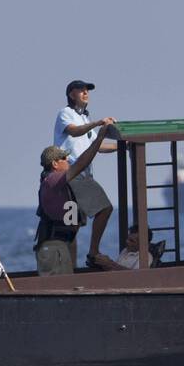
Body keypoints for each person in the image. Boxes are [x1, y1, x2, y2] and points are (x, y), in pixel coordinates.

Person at [52, 80, 118, 264]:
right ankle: (93, 253)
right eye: (81, 90)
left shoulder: (85, 118)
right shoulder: (65, 113)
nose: (86, 92)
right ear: (71, 94)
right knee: (104, 209)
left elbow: (97, 146)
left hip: (81, 176)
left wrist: (122, 145)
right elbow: (74, 132)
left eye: (87, 90)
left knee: (72, 225)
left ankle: (71, 264)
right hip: (73, 174)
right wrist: (99, 123)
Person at [38, 117, 116, 269]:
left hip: (59, 241)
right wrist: (100, 137)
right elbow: (82, 163)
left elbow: (70, 222)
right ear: (55, 164)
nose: (68, 159)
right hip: (54, 245)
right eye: (64, 158)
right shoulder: (53, 179)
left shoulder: (53, 182)